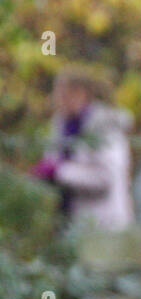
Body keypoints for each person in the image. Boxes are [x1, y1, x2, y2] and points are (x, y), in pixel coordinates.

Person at [32, 70, 134, 231]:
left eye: (63, 94)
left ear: (81, 93)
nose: (58, 100)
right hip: (67, 223)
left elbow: (105, 178)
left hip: (102, 226)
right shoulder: (60, 125)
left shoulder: (105, 126)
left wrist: (59, 171)